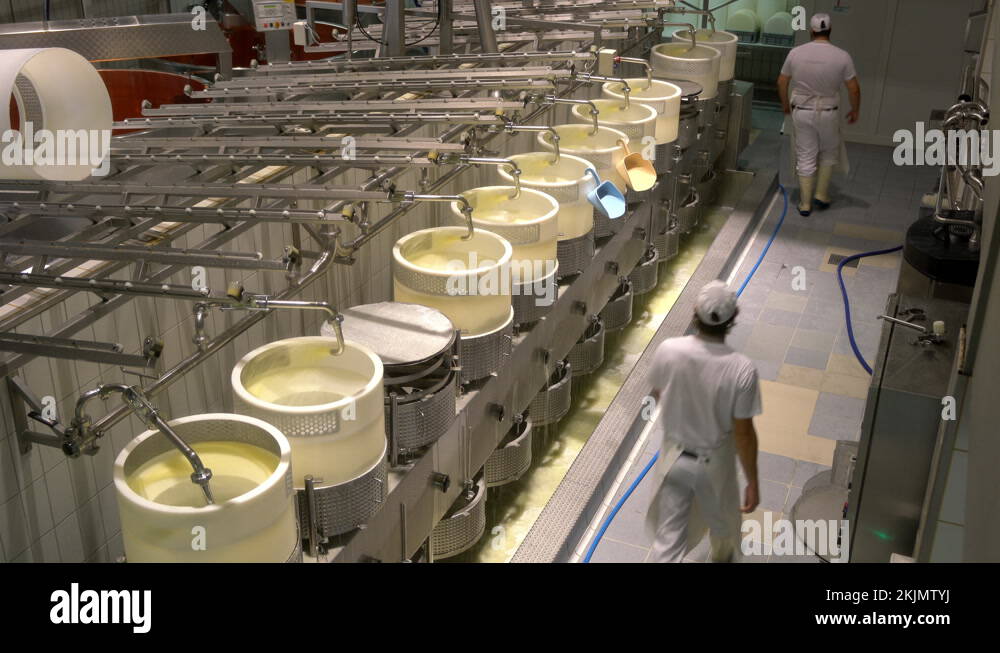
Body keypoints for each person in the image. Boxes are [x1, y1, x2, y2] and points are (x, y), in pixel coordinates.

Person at [645, 281, 761, 563]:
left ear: (695, 311)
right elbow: (744, 434)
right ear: (733, 318)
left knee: (668, 542)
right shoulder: (741, 369)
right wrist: (752, 482)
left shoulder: (669, 350)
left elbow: (658, 394)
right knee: (725, 534)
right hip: (716, 464)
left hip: (675, 459)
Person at [777, 12, 861, 216]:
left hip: (802, 112)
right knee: (829, 152)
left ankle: (805, 204)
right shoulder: (842, 56)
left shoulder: (796, 53)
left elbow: (781, 82)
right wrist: (855, 109)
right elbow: (854, 88)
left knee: (806, 154)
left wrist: (786, 105)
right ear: (830, 30)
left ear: (811, 31)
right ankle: (821, 195)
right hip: (829, 112)